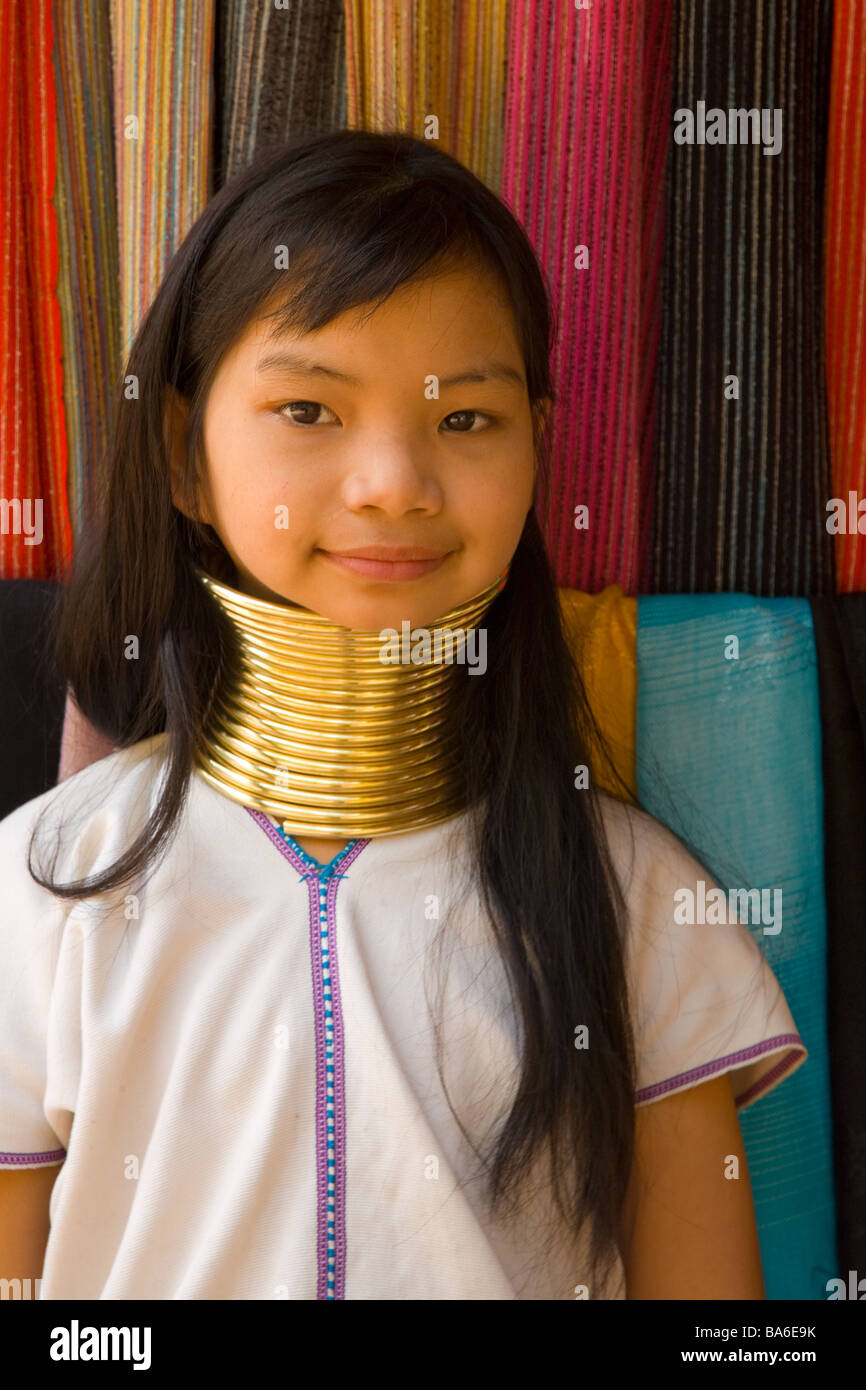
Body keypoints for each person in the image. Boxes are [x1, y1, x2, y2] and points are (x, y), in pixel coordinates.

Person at [0, 130, 806, 1300]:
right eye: (309, 410)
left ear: (536, 442)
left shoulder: (636, 906)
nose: (392, 480)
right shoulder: (43, 893)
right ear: (182, 451)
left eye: (464, 420)